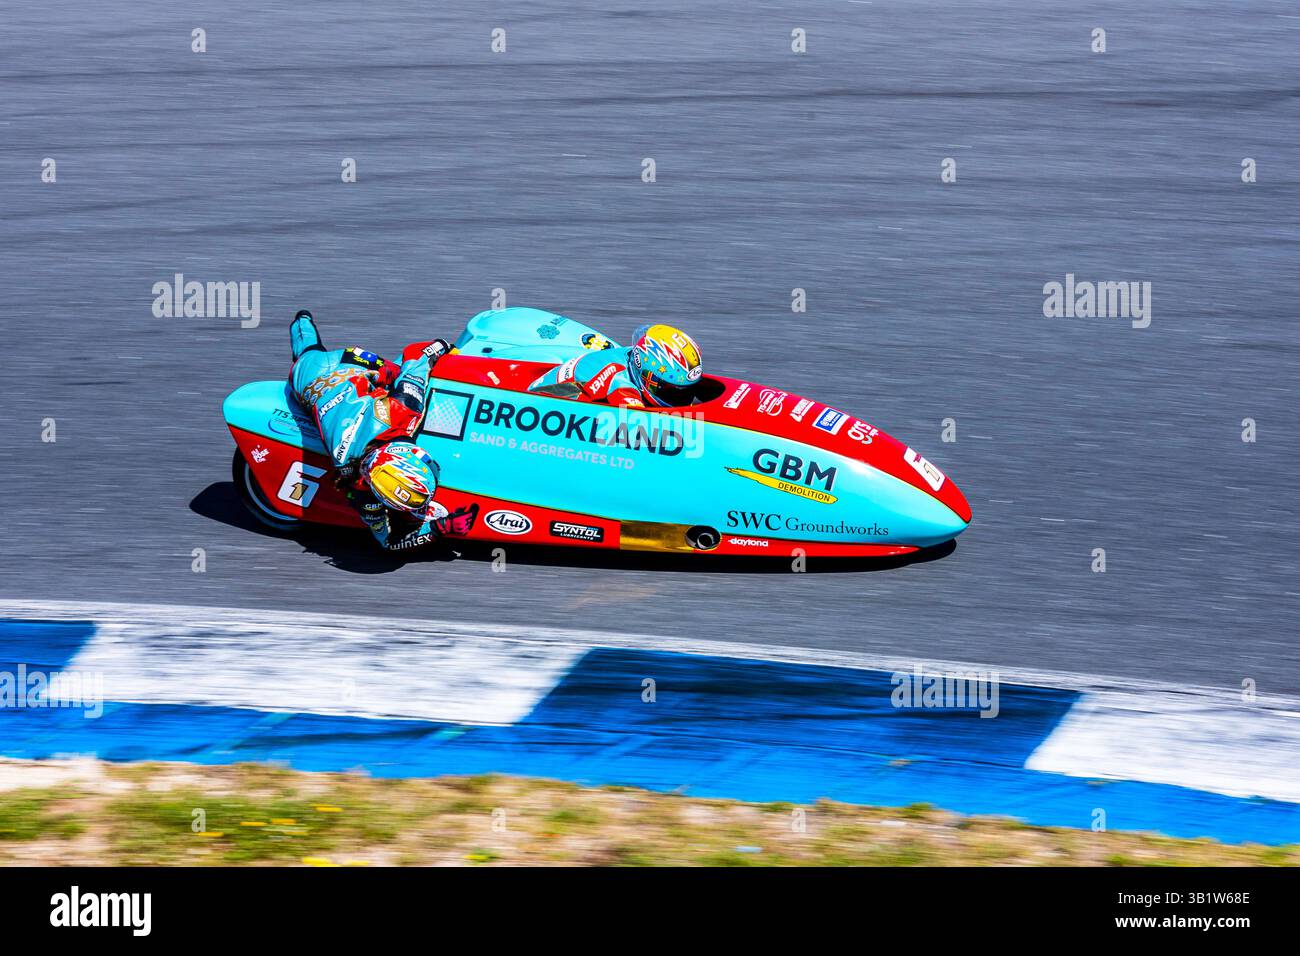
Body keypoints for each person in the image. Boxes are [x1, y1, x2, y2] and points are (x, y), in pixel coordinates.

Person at [288, 309, 478, 550]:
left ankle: (303, 319)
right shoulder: (362, 487)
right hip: (315, 377)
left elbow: (417, 354)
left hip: (348, 366)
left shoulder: (403, 409)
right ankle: (302, 319)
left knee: (400, 373)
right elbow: (388, 542)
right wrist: (438, 528)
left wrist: (442, 346)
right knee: (307, 354)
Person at [527, 323, 703, 409]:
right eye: (671, 389)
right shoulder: (622, 387)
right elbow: (641, 429)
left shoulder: (636, 355)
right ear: (646, 376)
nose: (683, 397)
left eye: (687, 390)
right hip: (543, 404)